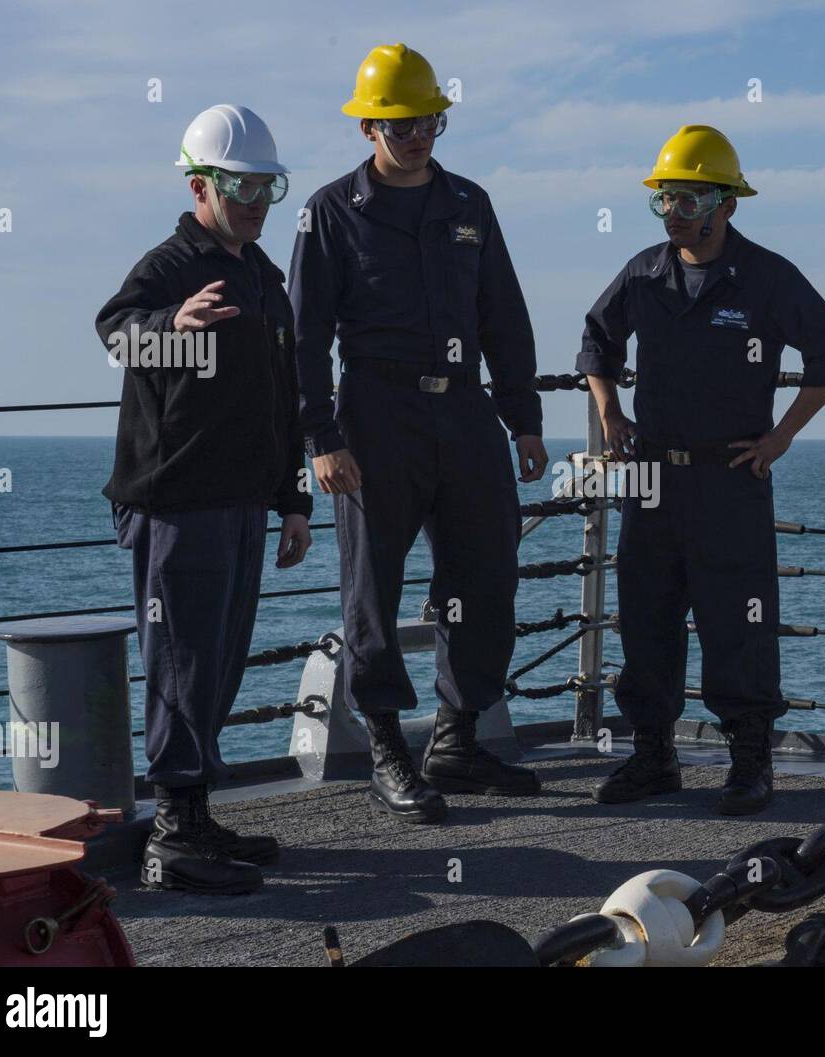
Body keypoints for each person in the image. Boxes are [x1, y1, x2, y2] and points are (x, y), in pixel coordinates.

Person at [289, 44, 548, 824]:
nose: (418, 136)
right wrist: (321, 438)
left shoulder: (470, 203)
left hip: (466, 409)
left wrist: (525, 420)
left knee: (486, 573)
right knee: (374, 586)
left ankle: (457, 741)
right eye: (401, 125)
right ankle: (386, 748)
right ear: (369, 126)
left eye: (429, 120)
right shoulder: (332, 211)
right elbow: (302, 337)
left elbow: (505, 315)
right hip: (375, 414)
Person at [577, 125, 825, 815]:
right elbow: (596, 340)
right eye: (665, 199)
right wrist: (610, 412)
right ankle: (653, 756)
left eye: (689, 199)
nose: (674, 212)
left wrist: (781, 436)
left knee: (740, 620)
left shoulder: (766, 278)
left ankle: (750, 763)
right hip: (652, 478)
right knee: (646, 615)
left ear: (727, 204)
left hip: (731, 478)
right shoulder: (644, 273)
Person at [96, 104, 312, 893]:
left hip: (240, 502)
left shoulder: (264, 277)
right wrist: (170, 325)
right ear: (199, 185)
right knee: (181, 660)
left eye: (267, 186)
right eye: (240, 185)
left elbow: (284, 396)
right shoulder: (171, 263)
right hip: (176, 499)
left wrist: (293, 499)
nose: (255, 201)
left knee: (217, 661)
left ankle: (195, 811)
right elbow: (118, 331)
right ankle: (172, 833)